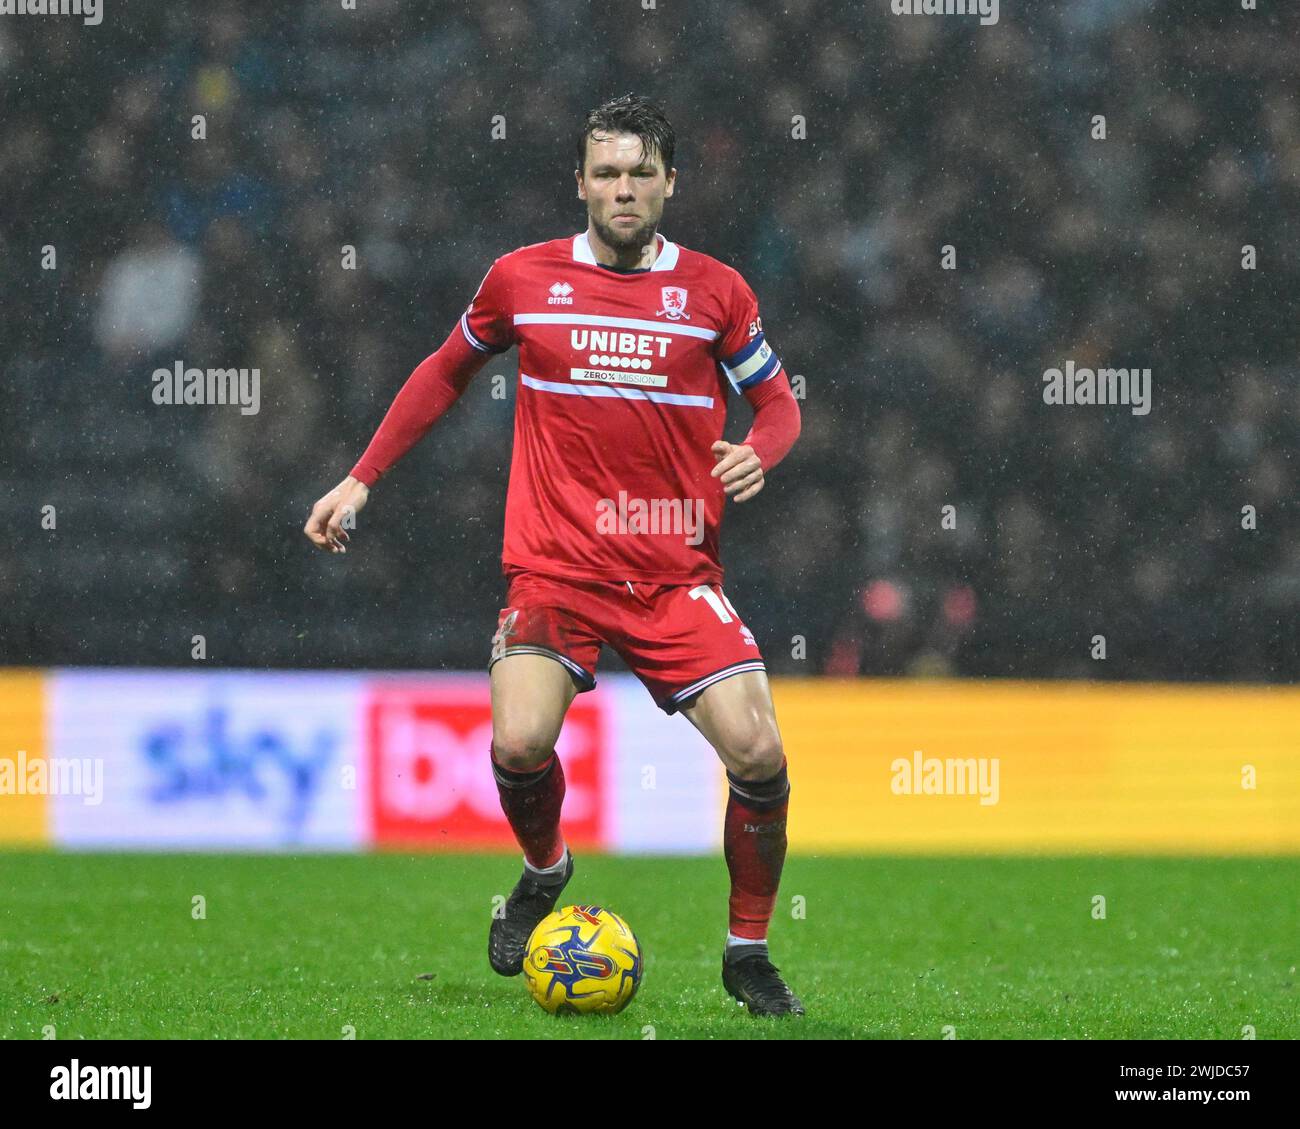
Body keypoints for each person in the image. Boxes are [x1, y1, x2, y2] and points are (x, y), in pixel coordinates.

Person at [304, 94, 803, 1016]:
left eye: (640, 173)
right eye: (606, 173)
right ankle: (546, 868)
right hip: (557, 568)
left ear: (669, 184)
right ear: (579, 183)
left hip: (673, 572)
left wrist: (757, 453)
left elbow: (780, 405)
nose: (623, 189)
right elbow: (443, 370)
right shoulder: (521, 279)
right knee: (521, 739)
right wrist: (361, 477)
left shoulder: (717, 292)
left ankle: (747, 952)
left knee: (760, 752)